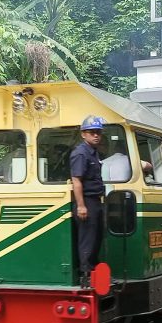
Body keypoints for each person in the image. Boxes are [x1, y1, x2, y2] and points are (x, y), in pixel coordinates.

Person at [70, 115, 106, 284]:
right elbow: (76, 180)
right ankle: (86, 274)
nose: (96, 135)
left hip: (95, 201)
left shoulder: (93, 153)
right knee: (87, 239)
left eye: (98, 132)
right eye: (92, 132)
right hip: (87, 201)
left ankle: (94, 271)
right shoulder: (81, 153)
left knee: (96, 237)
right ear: (83, 134)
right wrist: (81, 206)